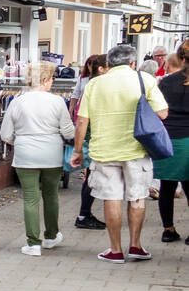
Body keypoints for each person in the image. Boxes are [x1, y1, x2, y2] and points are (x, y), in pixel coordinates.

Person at [70, 42, 169, 263]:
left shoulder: (94, 85)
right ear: (133, 62)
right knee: (137, 197)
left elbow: (82, 121)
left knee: (111, 198)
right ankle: (136, 246)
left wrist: (77, 151)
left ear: (110, 63)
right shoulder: (145, 80)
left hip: (104, 151)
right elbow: (162, 113)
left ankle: (115, 250)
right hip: (137, 150)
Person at [0, 62, 74, 255]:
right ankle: (51, 236)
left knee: (30, 199)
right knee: (51, 196)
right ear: (44, 79)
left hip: (25, 153)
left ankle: (33, 243)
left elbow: (5, 133)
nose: (52, 82)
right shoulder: (57, 102)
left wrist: (21, 142)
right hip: (51, 153)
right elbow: (67, 131)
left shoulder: (17, 101)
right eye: (51, 79)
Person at [154, 41, 189, 241]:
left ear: (181, 59)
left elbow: (159, 111)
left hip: (169, 138)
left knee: (167, 186)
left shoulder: (167, 82)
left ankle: (168, 230)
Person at [71, 54, 108, 229]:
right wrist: (78, 148)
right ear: (101, 69)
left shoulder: (93, 85)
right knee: (93, 178)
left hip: (93, 137)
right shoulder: (95, 86)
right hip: (96, 137)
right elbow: (82, 118)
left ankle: (84, 214)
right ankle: (84, 215)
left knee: (92, 177)